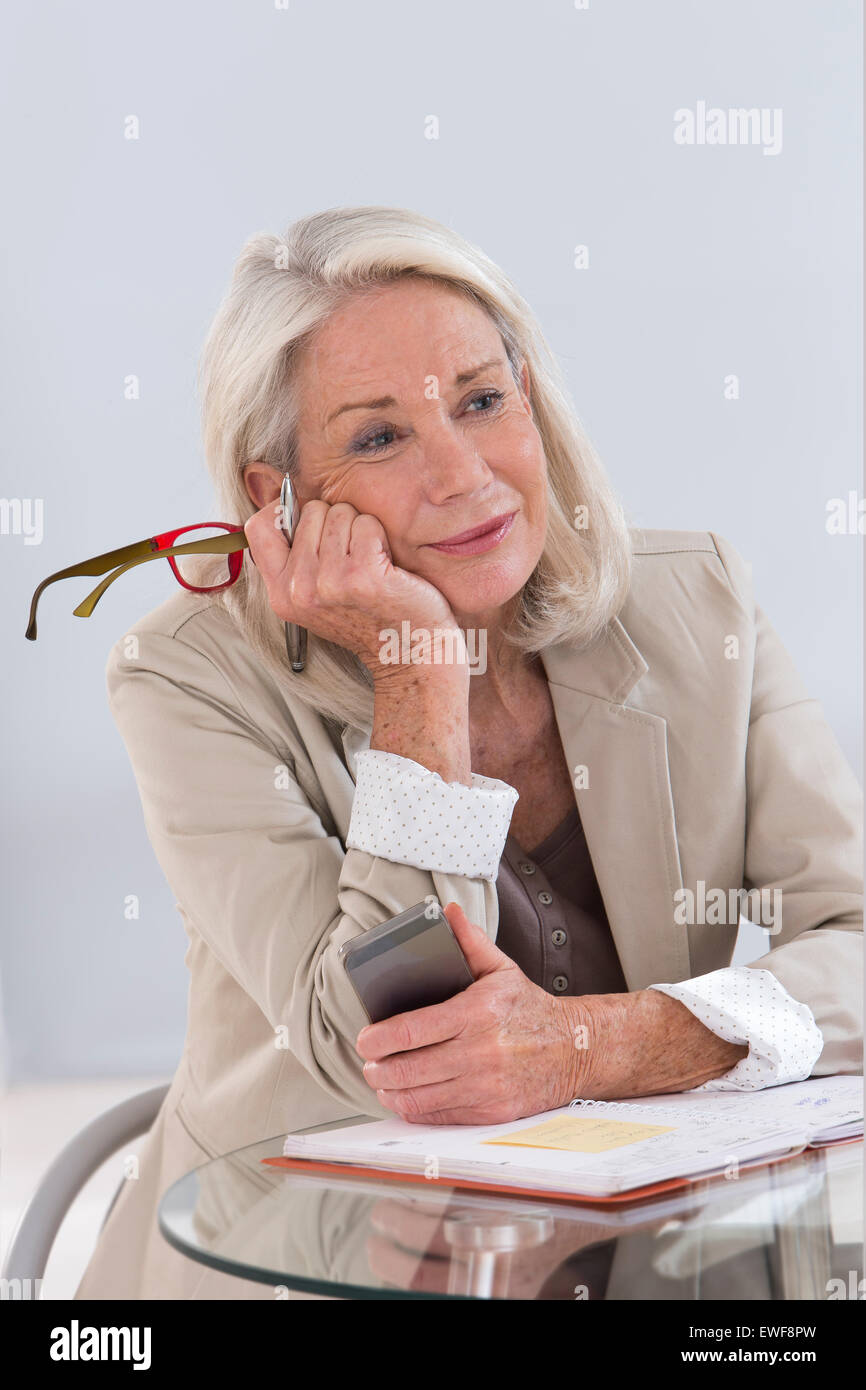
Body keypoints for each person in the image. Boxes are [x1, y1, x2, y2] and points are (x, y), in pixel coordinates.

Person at [74, 206, 862, 1301]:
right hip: (315, 1265)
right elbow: (376, 1047)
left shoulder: (697, 601)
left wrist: (604, 1042)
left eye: (482, 402)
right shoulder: (182, 679)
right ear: (277, 497)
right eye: (378, 435)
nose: (463, 474)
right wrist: (419, 677)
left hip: (638, 1257)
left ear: (528, 401)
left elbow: (854, 940)